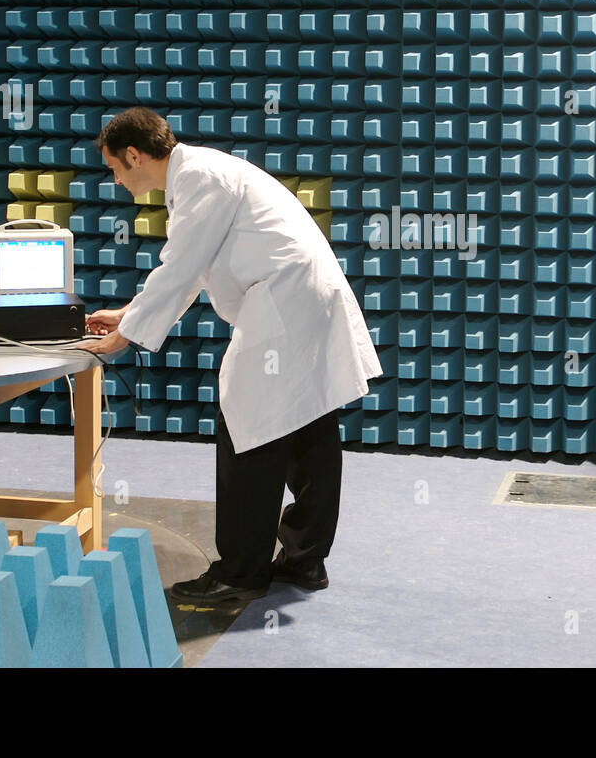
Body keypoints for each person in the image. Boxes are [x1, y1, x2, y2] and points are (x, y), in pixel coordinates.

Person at [78, 107, 382, 603]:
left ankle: (239, 571)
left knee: (248, 426)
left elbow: (179, 266)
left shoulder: (200, 177)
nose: (114, 177)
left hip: (285, 302)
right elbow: (195, 268)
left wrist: (125, 335)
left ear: (134, 154)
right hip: (303, 298)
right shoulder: (201, 175)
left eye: (114, 166)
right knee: (308, 425)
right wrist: (130, 313)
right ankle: (305, 560)